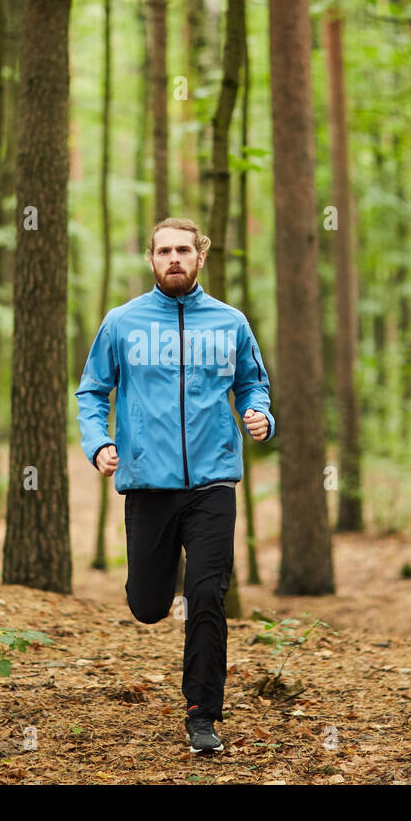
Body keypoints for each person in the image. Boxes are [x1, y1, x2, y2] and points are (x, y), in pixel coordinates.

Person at [75, 217, 275, 755]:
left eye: (183, 249)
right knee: (147, 605)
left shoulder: (230, 322)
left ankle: (202, 715)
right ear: (151, 259)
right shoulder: (122, 322)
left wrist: (259, 415)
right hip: (148, 485)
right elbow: (92, 392)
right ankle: (151, 595)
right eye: (163, 251)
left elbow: (253, 384)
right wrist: (98, 443)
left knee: (207, 595)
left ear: (200, 256)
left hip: (213, 484)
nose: (174, 259)